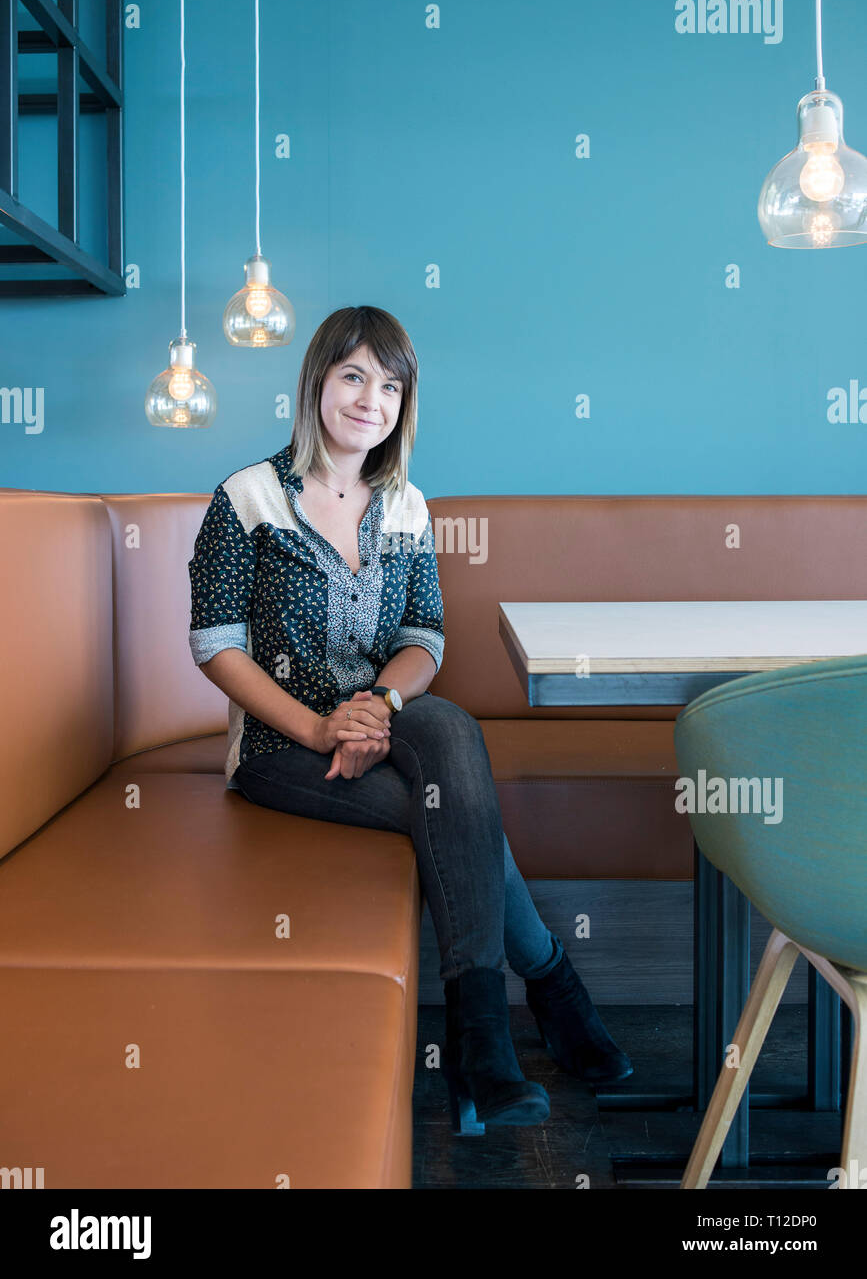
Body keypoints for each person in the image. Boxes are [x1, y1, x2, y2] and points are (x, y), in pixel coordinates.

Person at [188, 305, 631, 1134]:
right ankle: (536, 1002)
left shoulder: (405, 504)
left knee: (452, 727)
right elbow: (214, 647)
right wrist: (323, 728)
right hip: (284, 743)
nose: (371, 399)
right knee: (452, 822)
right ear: (317, 379)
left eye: (390, 385)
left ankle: (481, 1047)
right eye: (354, 376)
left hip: (385, 719)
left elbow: (424, 637)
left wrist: (378, 707)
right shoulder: (245, 498)